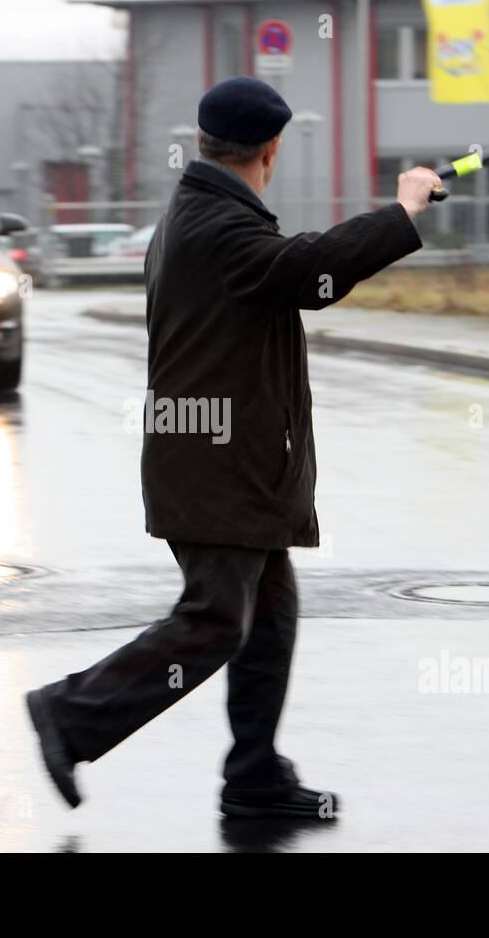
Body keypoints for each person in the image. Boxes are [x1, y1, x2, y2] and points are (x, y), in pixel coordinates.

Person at [26, 75, 439, 818]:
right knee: (217, 620)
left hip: (225, 466)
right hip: (215, 469)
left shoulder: (200, 212)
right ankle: (71, 712)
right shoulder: (219, 227)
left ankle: (254, 776)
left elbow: (290, 268)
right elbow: (310, 271)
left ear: (211, 140)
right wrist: (404, 209)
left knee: (267, 618)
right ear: (272, 148)